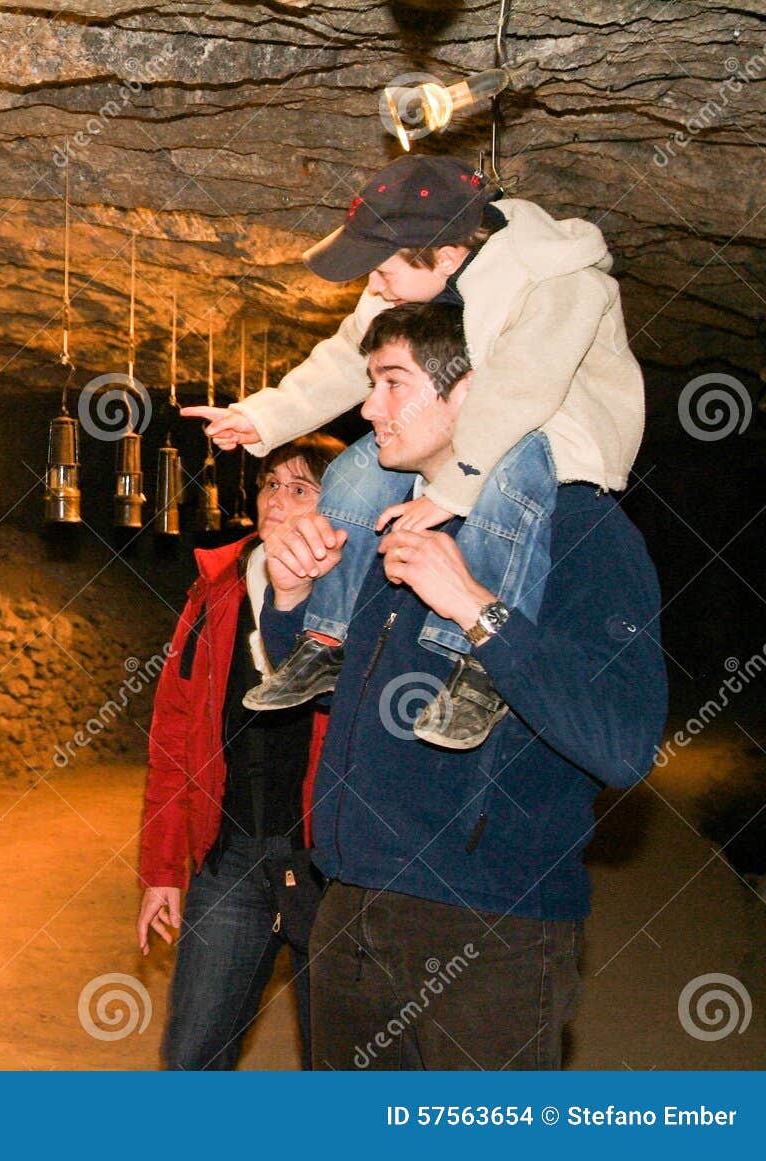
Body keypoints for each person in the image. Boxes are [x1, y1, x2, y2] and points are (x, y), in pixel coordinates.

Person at [258, 302, 665, 1069]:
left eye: (391, 382)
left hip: (485, 926)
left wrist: (480, 611)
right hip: (346, 901)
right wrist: (289, 601)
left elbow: (623, 744)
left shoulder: (582, 531)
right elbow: (329, 698)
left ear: (471, 390)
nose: (369, 407)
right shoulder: (396, 520)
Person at [183, 154, 644, 750]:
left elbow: (522, 387)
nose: (372, 284)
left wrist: (453, 488)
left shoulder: (558, 279)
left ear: (448, 257)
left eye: (381, 270)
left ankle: (477, 670)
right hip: (481, 430)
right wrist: (261, 416)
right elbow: (351, 355)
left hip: (561, 430)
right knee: (354, 468)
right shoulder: (420, 278)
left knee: (507, 478)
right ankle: (326, 639)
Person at [137, 433, 344, 1070]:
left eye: (302, 488)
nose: (279, 500)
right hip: (230, 857)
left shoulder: (365, 595)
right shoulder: (215, 591)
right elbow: (174, 737)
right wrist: (163, 871)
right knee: (194, 1056)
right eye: (270, 485)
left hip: (331, 867)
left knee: (342, 1062)